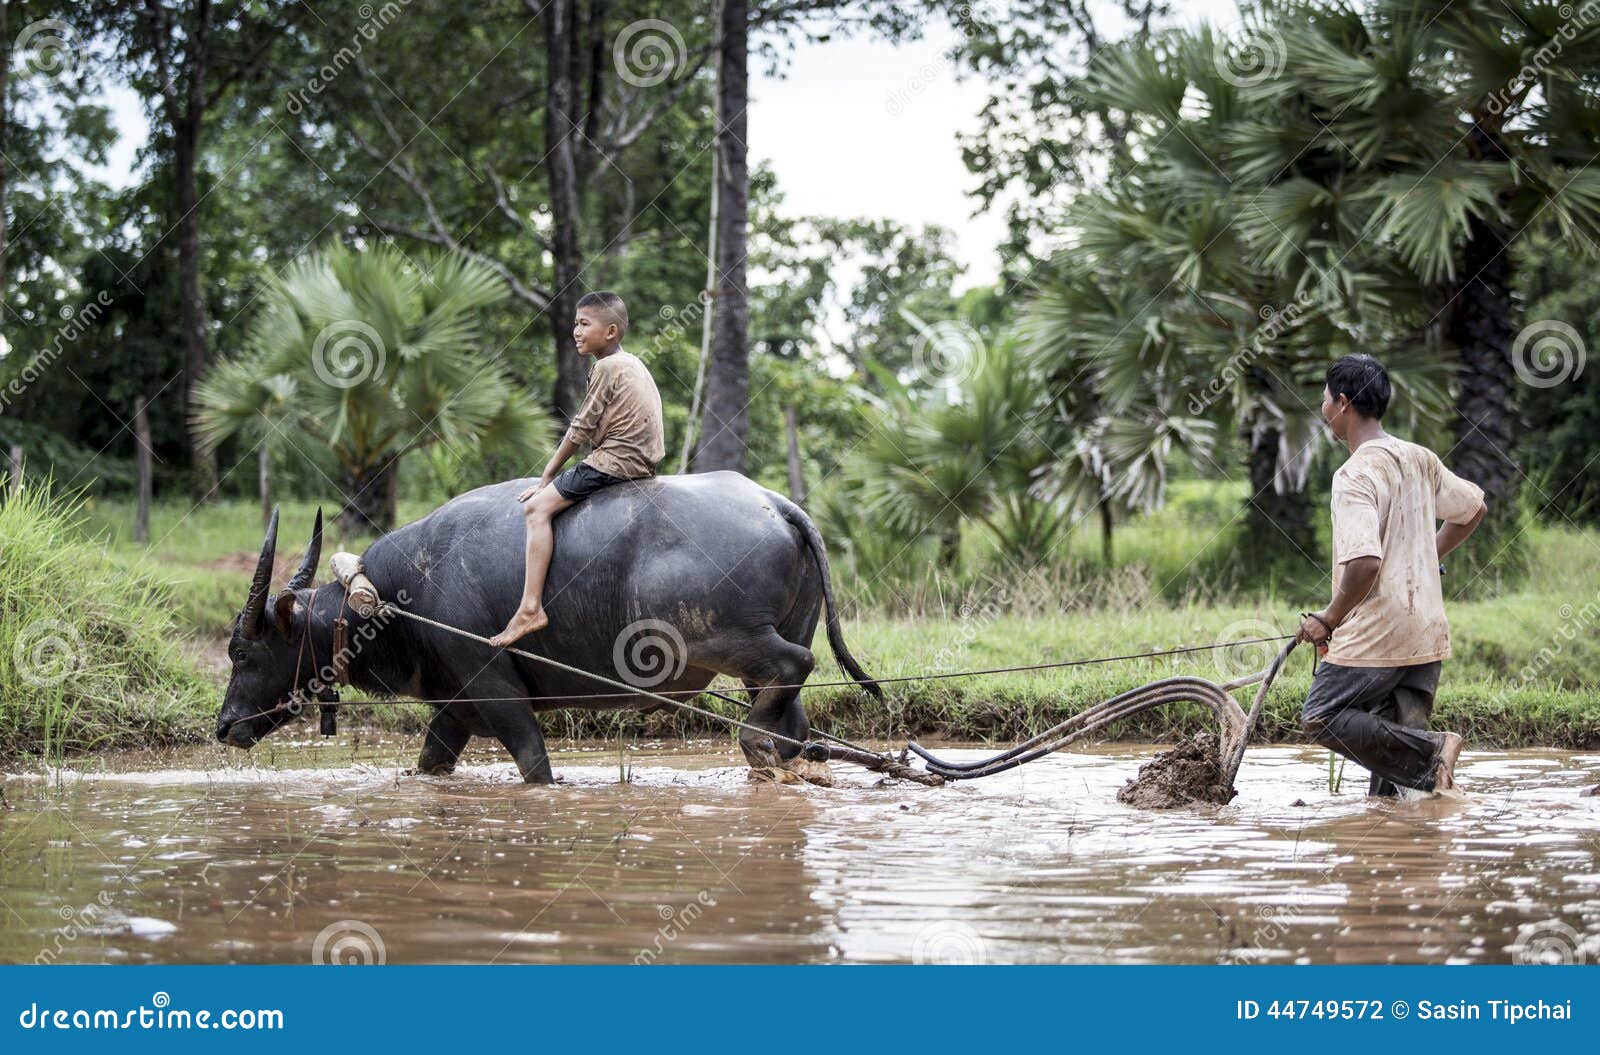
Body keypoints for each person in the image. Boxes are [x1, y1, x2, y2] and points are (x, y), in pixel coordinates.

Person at [1296, 354, 1487, 795]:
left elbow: (1364, 564)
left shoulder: (1355, 474)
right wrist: (1427, 554)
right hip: (1425, 633)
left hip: (1377, 635)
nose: (1322, 407)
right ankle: (1403, 845)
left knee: (1321, 714)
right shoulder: (1418, 458)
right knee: (1402, 786)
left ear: (1342, 403)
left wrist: (1328, 619)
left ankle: (1433, 751)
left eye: (1324, 399)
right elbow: (1474, 508)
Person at [489, 291, 664, 646]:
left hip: (614, 461)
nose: (576, 332)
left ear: (611, 331)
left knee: (536, 509)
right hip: (642, 461)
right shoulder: (633, 363)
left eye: (585, 324)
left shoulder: (607, 366)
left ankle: (530, 608)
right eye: (575, 324)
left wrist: (548, 475)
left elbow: (582, 427)